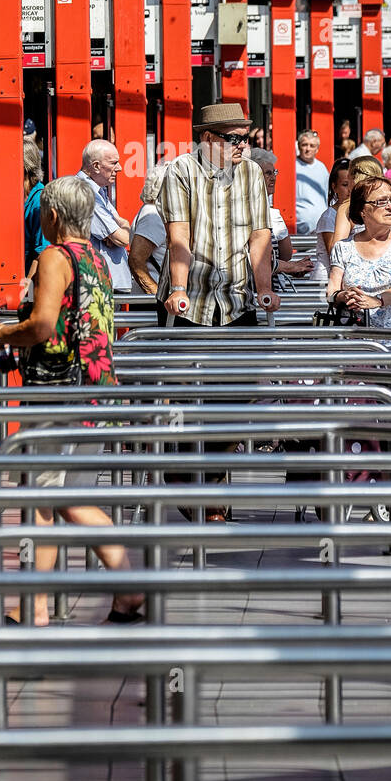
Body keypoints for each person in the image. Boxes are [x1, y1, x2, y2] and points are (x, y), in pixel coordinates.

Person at [0, 176, 143, 627]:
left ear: (52, 216)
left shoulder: (53, 257)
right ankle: (51, 601)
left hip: (57, 391)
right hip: (94, 387)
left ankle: (52, 603)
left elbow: (44, 325)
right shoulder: (96, 258)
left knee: (49, 496)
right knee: (58, 496)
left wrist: (1, 333)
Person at [158, 102, 277, 519]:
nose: (244, 145)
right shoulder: (180, 171)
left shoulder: (250, 173)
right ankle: (202, 491)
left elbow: (260, 233)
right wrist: (176, 286)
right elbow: (179, 235)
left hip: (236, 298)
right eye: (235, 139)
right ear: (209, 140)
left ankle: (205, 487)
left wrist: (264, 288)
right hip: (191, 300)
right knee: (194, 402)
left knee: (235, 402)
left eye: (246, 137)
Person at [327, 177, 391, 498]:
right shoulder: (344, 248)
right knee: (364, 422)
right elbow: (331, 291)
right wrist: (345, 296)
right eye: (380, 202)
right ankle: (372, 492)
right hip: (359, 350)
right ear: (362, 210)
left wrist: (379, 299)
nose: (389, 207)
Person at [76, 139, 132, 294]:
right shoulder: (87, 192)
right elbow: (123, 239)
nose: (119, 168)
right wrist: (119, 230)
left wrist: (120, 227)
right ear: (96, 166)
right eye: (114, 163)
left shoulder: (97, 190)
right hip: (101, 285)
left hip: (104, 282)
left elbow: (121, 226)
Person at [250, 148, 313, 283]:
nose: (273, 178)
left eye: (274, 172)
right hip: (254, 288)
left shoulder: (273, 214)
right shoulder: (245, 212)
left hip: (272, 286)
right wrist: (291, 267)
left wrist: (292, 266)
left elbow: (286, 255)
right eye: (267, 173)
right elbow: (252, 259)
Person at [329, 155, 384, 254]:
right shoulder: (389, 203)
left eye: (348, 179)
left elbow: (337, 248)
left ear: (354, 179)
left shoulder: (347, 208)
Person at [128, 163, 169, 295]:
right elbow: (136, 260)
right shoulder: (154, 214)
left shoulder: (153, 211)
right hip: (155, 300)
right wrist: (155, 294)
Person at [313, 156, 351, 280]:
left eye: (353, 184)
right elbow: (333, 254)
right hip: (326, 279)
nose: (350, 189)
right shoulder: (329, 217)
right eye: (345, 185)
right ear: (334, 187)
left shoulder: (358, 213)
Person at [295, 130, 330, 234]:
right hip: (301, 230)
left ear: (317, 149)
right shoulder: (292, 166)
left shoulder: (322, 167)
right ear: (299, 146)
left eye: (312, 145)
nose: (308, 149)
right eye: (304, 145)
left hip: (322, 228)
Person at [23, 137, 47, 278]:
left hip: (30, 283)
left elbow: (42, 252)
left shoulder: (39, 200)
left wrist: (27, 287)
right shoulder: (21, 196)